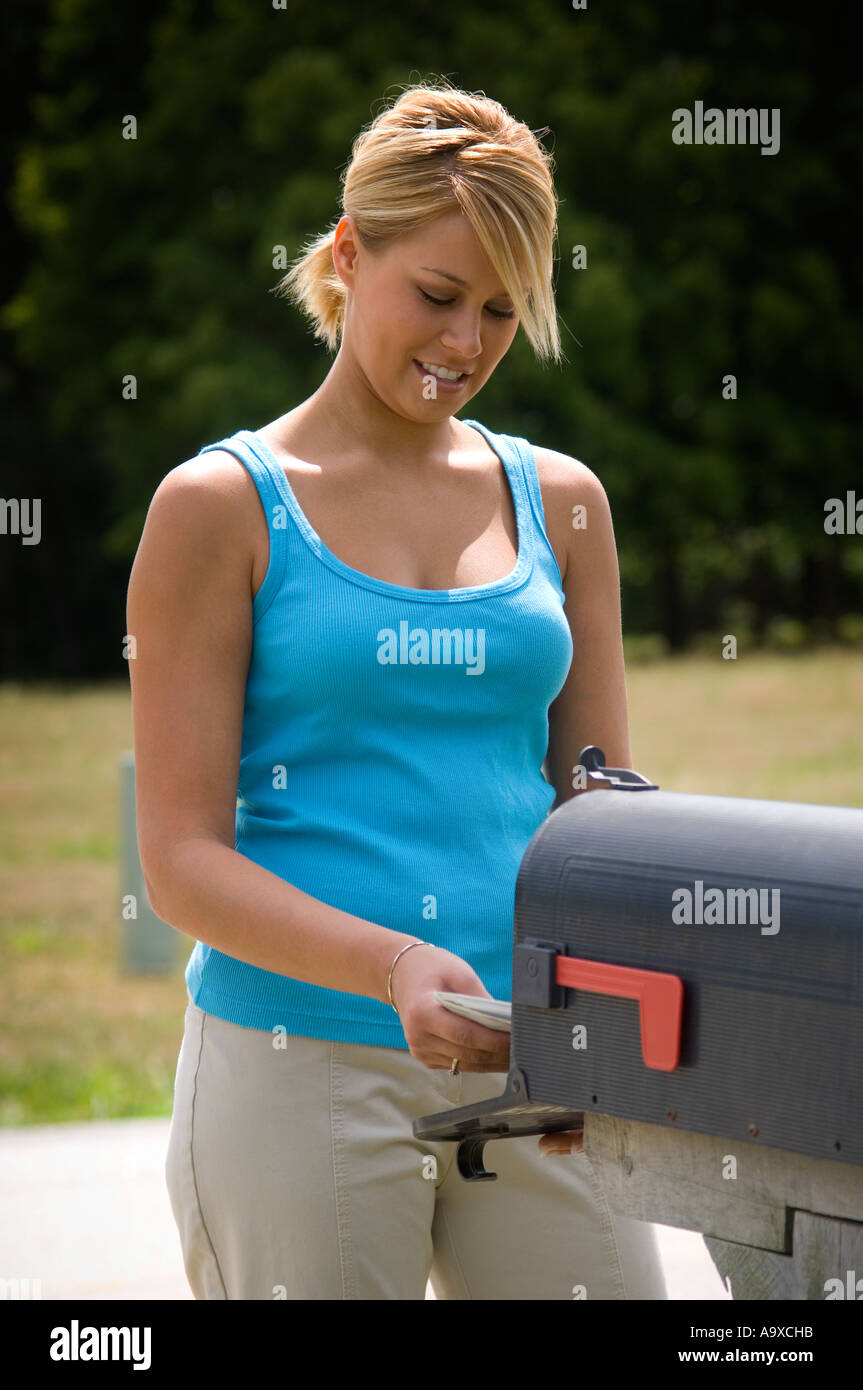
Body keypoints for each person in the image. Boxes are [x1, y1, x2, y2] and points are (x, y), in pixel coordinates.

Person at [127, 78, 667, 1300]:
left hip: (533, 1057)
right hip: (294, 1055)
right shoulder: (218, 506)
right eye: (435, 295)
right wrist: (390, 968)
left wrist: (606, 1043)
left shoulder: (565, 502)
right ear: (345, 252)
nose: (465, 345)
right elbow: (179, 858)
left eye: (497, 309)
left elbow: (597, 812)